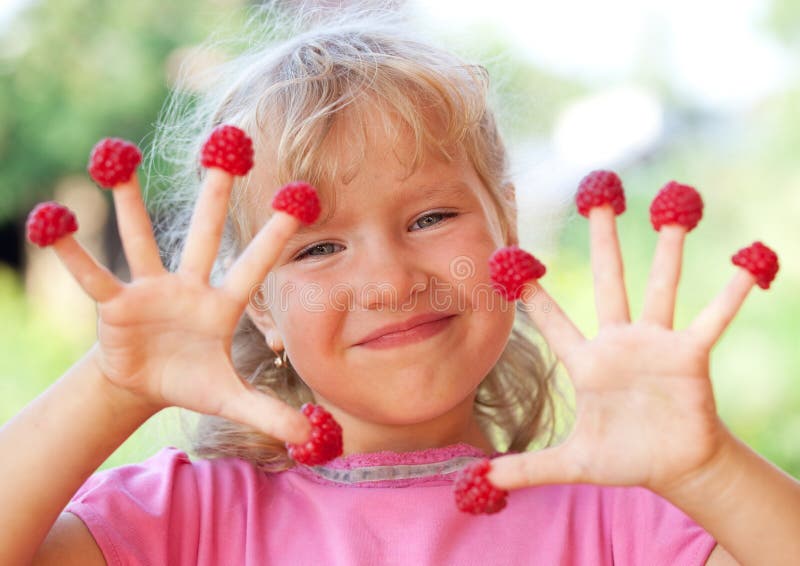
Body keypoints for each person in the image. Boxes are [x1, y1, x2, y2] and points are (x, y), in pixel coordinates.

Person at [2, 3, 799, 565]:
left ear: (506, 232)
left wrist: (706, 471)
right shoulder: (183, 523)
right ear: (257, 306)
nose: (386, 280)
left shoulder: (627, 520)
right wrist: (112, 387)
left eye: (430, 218)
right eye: (315, 250)